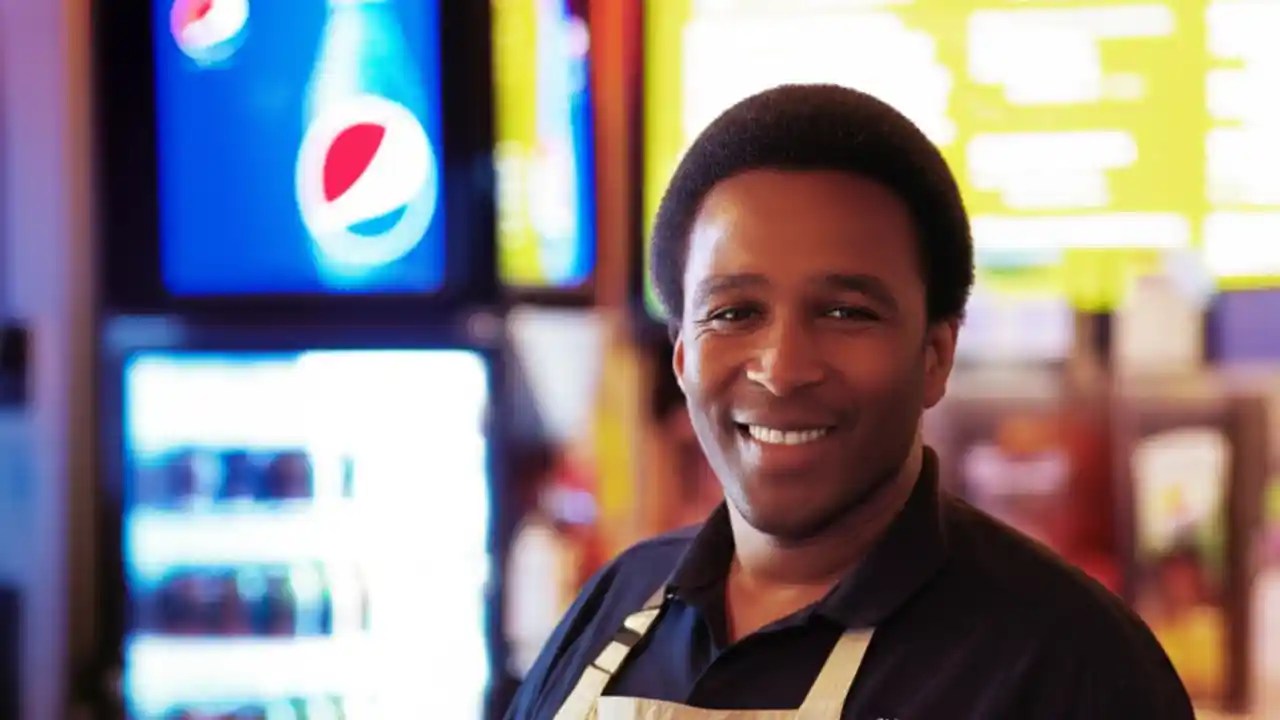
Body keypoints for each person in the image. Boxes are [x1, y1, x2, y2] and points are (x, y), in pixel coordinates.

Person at [504, 84, 1194, 719]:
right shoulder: (617, 604)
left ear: (935, 356)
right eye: (734, 313)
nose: (782, 369)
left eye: (844, 313)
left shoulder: (1071, 663)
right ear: (683, 355)